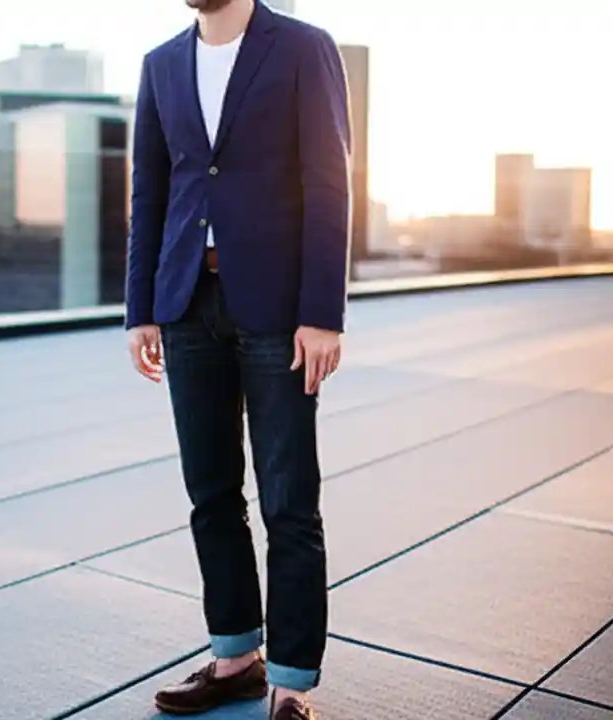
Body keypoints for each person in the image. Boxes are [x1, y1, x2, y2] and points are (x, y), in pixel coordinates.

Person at [124, 0, 352, 717]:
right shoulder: (160, 63)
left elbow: (329, 179)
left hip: (279, 309)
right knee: (211, 492)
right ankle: (236, 657)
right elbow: (149, 193)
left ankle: (290, 681)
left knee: (289, 500)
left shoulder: (302, 47)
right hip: (187, 301)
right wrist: (141, 309)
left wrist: (321, 312)